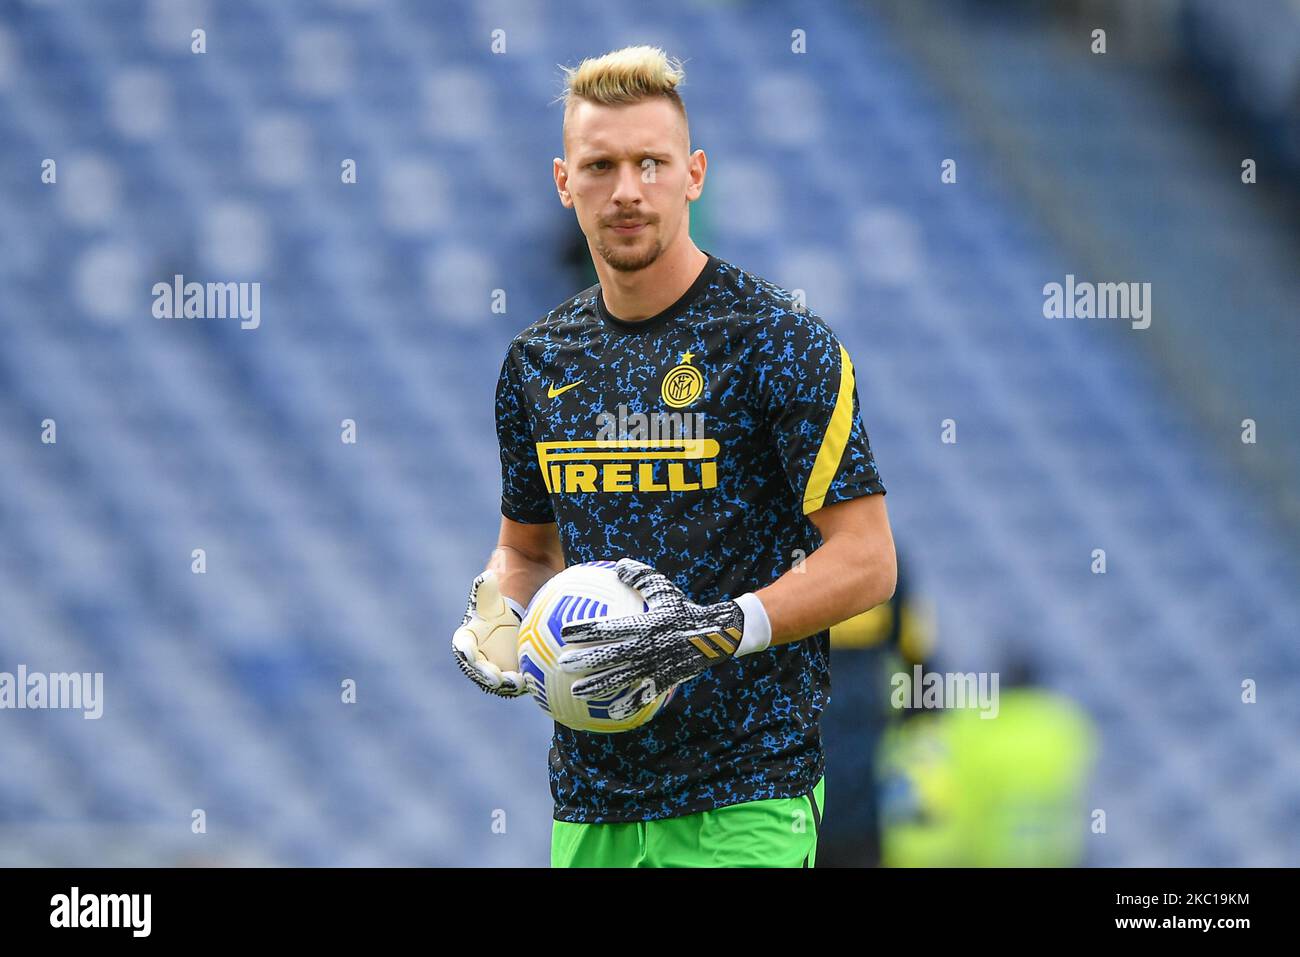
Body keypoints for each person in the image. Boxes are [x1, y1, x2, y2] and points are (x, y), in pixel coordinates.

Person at [451, 45, 896, 868]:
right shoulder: (536, 362)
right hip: (590, 804)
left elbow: (867, 561)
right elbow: (526, 547)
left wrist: (722, 628)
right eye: (601, 166)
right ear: (564, 182)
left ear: (693, 175)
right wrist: (498, 611)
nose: (627, 190)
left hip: (747, 795)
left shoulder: (780, 343)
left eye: (650, 163)